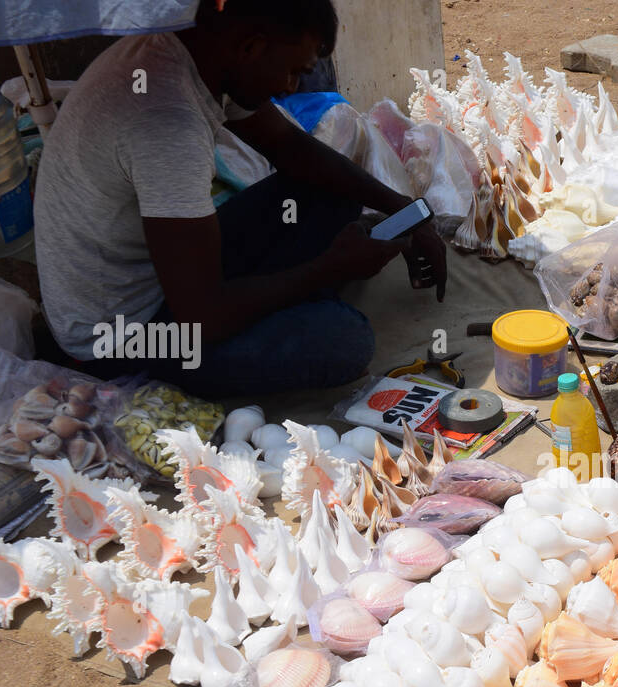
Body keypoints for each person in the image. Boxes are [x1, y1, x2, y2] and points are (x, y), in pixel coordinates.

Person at [33, 0, 447, 398]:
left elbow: (289, 147)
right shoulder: (166, 124)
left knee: (332, 189)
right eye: (292, 73)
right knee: (345, 341)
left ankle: (283, 298)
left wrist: (407, 210)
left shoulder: (194, 50)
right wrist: (327, 269)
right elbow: (202, 318)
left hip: (155, 276)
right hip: (121, 339)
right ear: (251, 46)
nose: (292, 87)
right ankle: (292, 303)